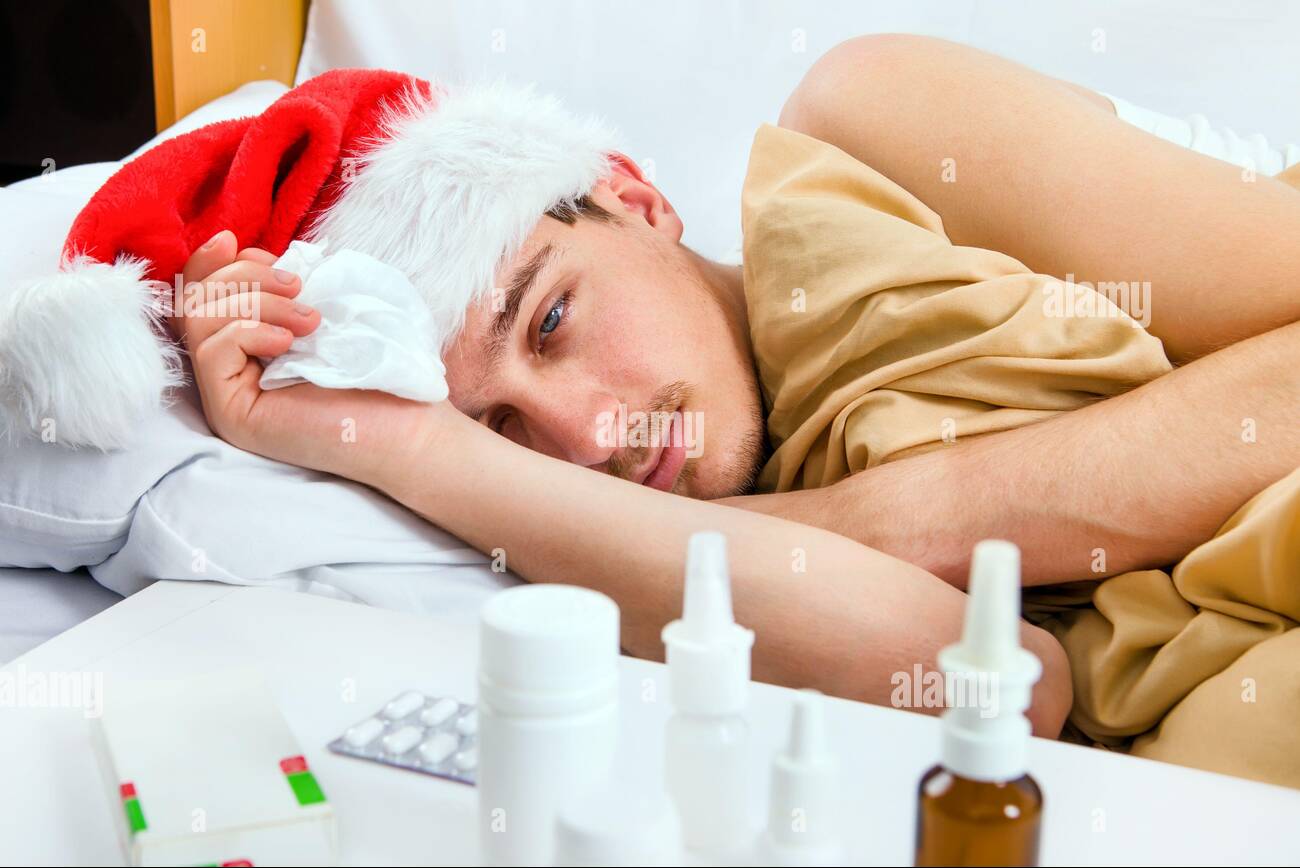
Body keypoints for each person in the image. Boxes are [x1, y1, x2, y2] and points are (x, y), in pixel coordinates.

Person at [172, 36, 1300, 741]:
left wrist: (871, 520)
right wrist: (408, 449)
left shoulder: (869, 125)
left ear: (632, 196)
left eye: (552, 319)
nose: (586, 435)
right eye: (501, 430)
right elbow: (1002, 679)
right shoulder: (617, 551)